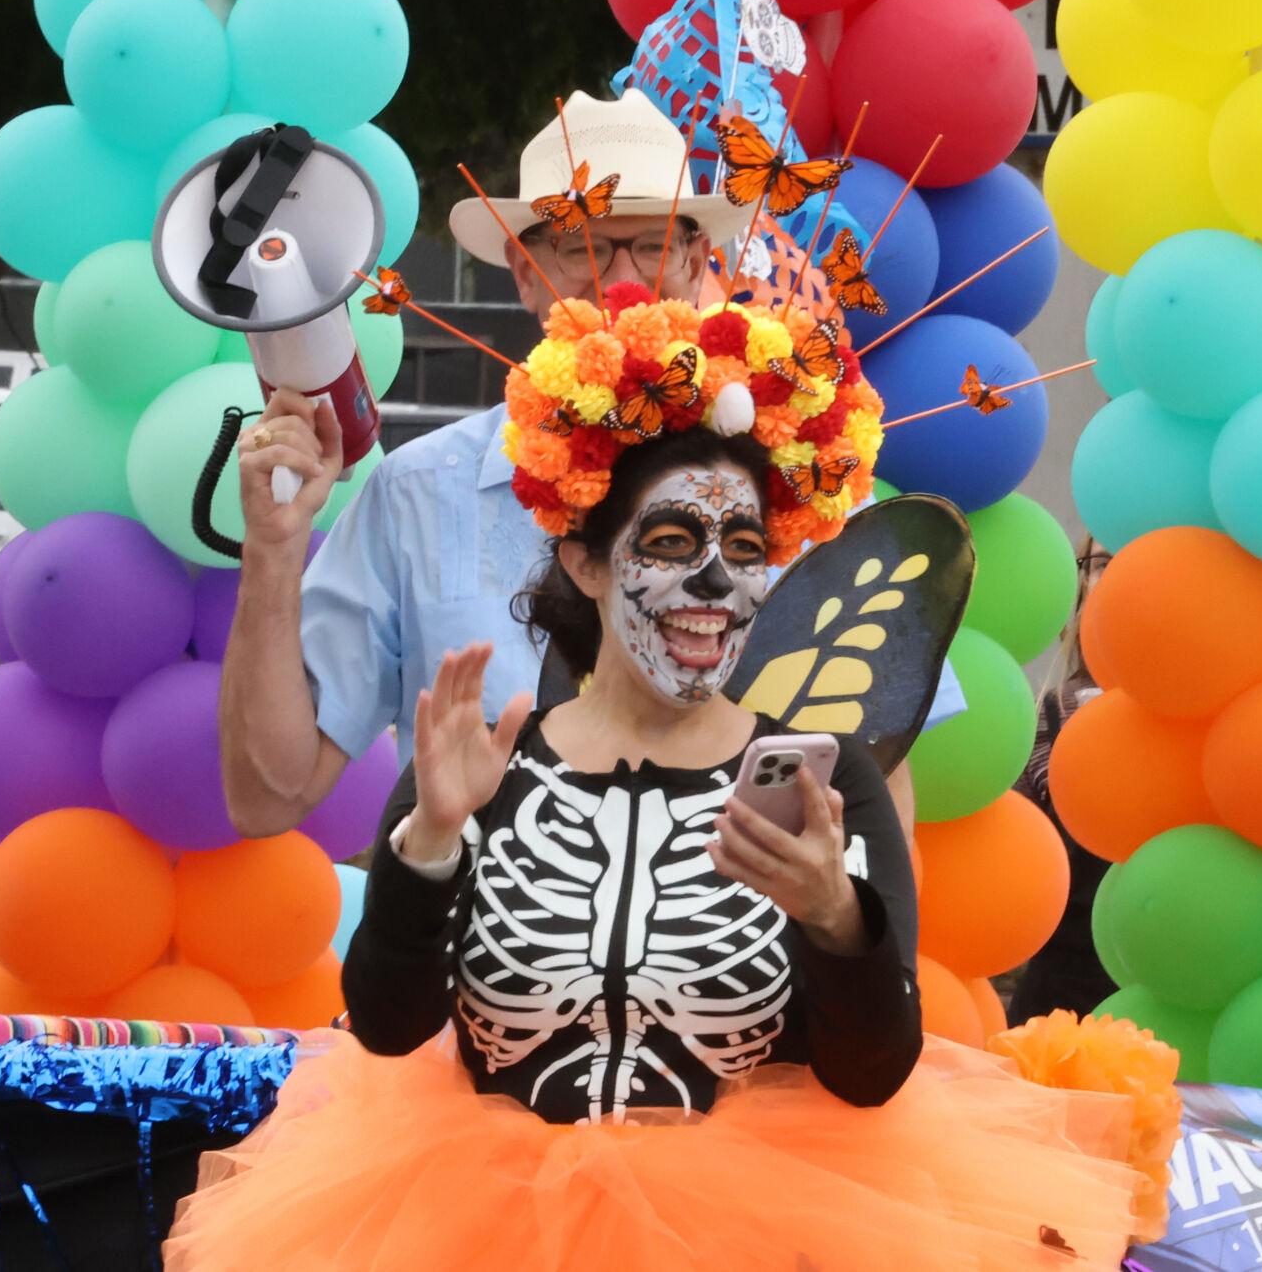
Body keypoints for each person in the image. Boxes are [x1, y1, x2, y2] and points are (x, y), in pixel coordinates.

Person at [163, 324, 1147, 1268]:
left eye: (746, 549)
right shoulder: (478, 766)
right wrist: (432, 842)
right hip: (474, 1223)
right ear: (586, 563)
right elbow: (386, 1025)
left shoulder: (827, 776)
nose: (714, 582)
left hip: (764, 1230)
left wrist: (836, 917)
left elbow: (873, 1070)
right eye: (672, 542)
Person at [218, 88, 957, 846]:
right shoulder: (418, 492)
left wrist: (845, 913)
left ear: (697, 261)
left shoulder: (800, 487)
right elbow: (267, 798)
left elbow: (880, 797)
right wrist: (272, 545)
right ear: (524, 270)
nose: (621, 282)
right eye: (583, 247)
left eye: (654, 246)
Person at [1004, 536, 1115, 1025]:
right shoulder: (1049, 714)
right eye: (1102, 563)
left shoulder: (1219, 720)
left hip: (1184, 998)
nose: (1120, 577)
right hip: (1063, 1010)